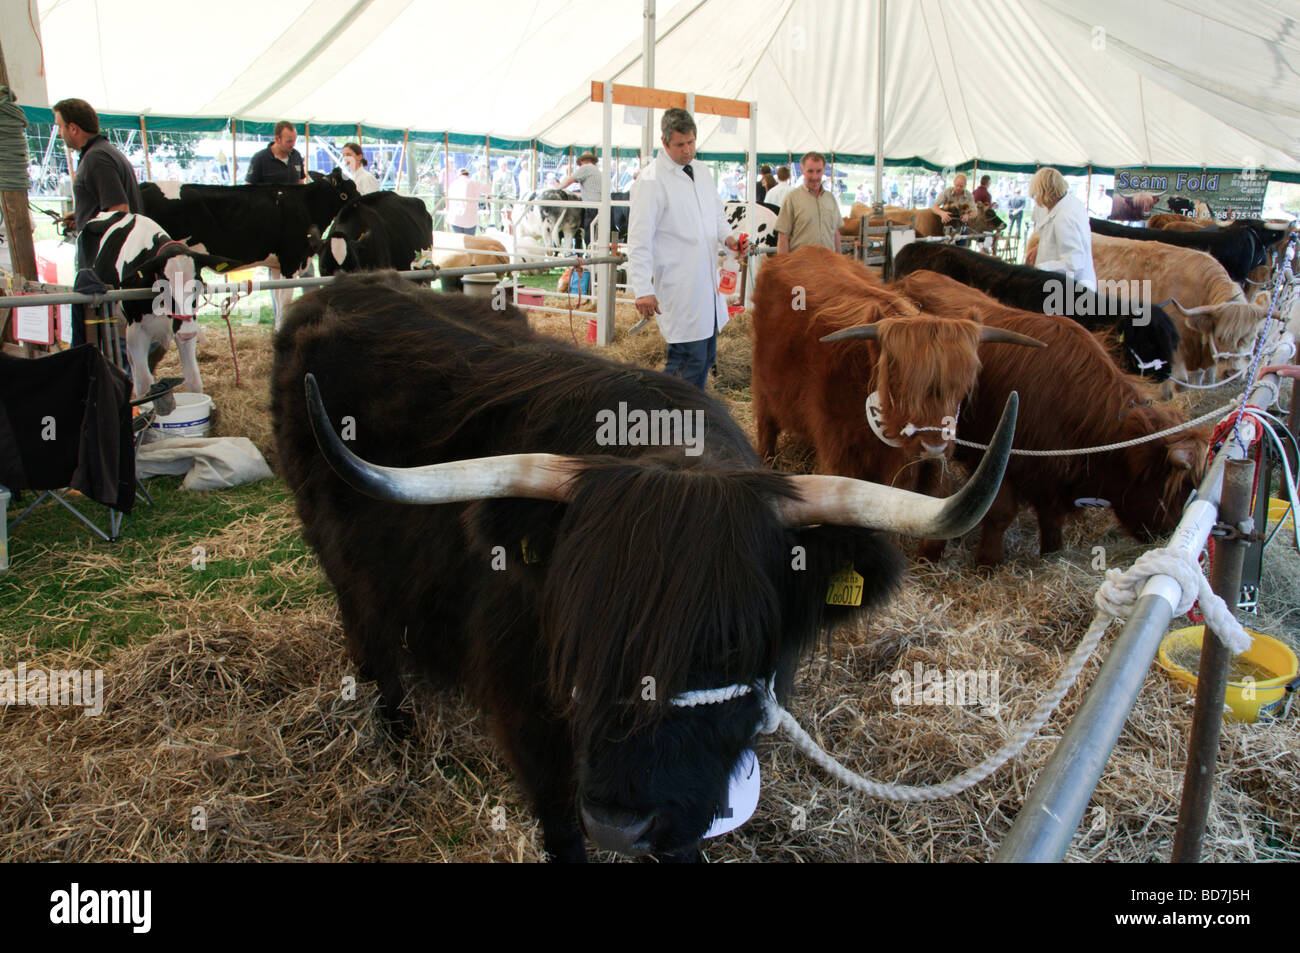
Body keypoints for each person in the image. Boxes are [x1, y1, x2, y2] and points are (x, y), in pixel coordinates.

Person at [627, 108, 744, 390]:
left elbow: (716, 215)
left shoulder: (701, 171)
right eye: (680, 144)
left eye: (691, 142)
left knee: (705, 358)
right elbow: (639, 238)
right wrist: (642, 288)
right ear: (664, 142)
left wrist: (728, 238)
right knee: (685, 364)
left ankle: (688, 423)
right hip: (680, 286)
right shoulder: (652, 179)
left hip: (706, 285)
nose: (688, 150)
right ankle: (669, 425)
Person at [53, 98, 144, 348]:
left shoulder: (97, 158)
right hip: (111, 263)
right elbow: (108, 205)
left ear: (73, 128)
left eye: (60, 127)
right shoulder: (104, 152)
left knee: (113, 337)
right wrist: (81, 215)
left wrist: (90, 227)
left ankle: (117, 383)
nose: (60, 134)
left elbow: (118, 210)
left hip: (103, 266)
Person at [1028, 166, 1096, 290]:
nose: (1037, 200)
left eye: (1037, 195)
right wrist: (1041, 247)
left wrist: (1039, 268)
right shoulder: (1071, 202)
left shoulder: (1064, 218)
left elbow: (1074, 264)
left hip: (1071, 291)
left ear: (1045, 193)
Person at [774, 151, 840, 255]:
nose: (815, 176)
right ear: (802, 170)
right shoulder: (792, 198)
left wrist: (839, 263)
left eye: (819, 171)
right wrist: (784, 268)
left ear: (824, 170)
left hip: (828, 266)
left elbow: (835, 233)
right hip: (801, 267)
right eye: (810, 171)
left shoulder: (830, 199)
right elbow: (783, 236)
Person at [557, 152, 602, 244]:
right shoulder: (597, 170)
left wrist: (558, 188)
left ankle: (590, 252)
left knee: (589, 231)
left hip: (592, 206)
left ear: (582, 161)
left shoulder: (585, 168)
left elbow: (570, 180)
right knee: (597, 232)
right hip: (601, 205)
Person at [245, 121, 306, 185]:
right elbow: (248, 188)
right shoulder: (259, 158)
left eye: (294, 140)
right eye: (289, 141)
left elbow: (301, 183)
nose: (293, 144)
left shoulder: (296, 156)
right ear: (277, 139)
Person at [446, 167, 488, 235]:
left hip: (455, 218)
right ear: (468, 174)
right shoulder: (473, 183)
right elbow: (488, 189)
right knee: (469, 243)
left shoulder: (453, 184)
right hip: (469, 219)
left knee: (459, 242)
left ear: (458, 175)